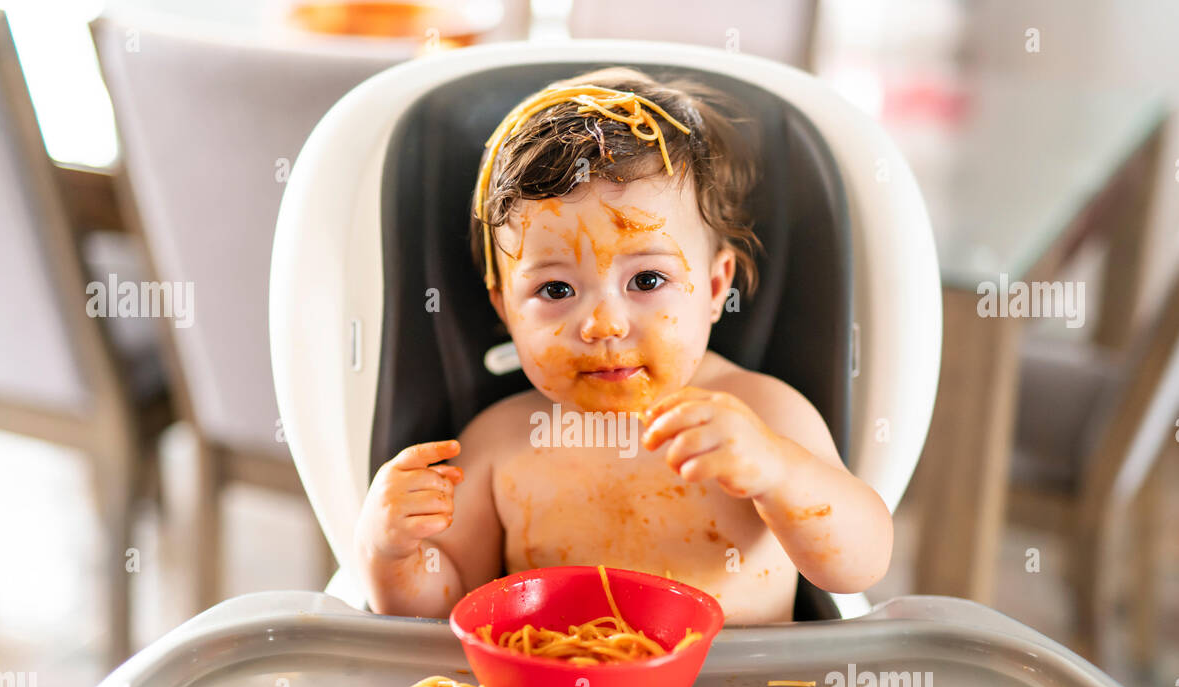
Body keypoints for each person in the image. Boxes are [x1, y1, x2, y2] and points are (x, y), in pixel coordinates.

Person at [355, 67, 892, 623]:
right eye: (556, 289)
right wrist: (390, 549)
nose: (604, 324)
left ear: (713, 288)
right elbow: (436, 615)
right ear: (506, 310)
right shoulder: (498, 444)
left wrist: (780, 473)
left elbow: (858, 566)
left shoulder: (764, 416)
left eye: (647, 281)